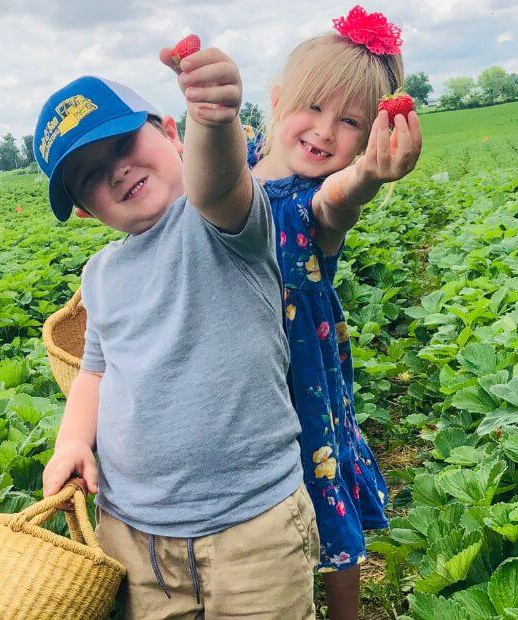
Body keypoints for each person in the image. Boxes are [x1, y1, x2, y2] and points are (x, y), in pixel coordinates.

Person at [34, 44, 319, 618]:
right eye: (90, 174)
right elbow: (96, 368)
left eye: (123, 144)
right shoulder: (101, 274)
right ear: (85, 211)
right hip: (134, 536)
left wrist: (213, 119)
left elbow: (218, 182)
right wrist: (71, 443)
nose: (115, 168)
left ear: (170, 133)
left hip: (253, 527)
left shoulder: (223, 223)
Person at [249, 6, 423, 619]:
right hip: (240, 368)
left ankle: (344, 612)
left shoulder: (312, 202)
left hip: (302, 377)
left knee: (323, 482)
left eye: (350, 122)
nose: (325, 131)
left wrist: (369, 176)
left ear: (366, 138)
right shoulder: (236, 169)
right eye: (313, 107)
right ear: (275, 101)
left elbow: (339, 203)